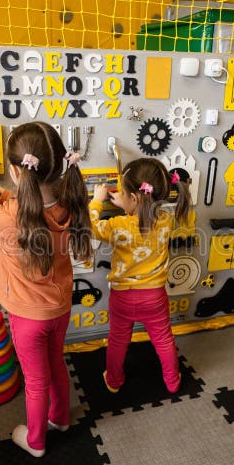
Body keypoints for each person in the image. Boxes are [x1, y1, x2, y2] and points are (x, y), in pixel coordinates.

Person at [0, 122, 92, 458]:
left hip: (28, 319)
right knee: (56, 363)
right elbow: (34, 207)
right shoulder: (70, 198)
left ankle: (36, 441)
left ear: (16, 171)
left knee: (36, 381)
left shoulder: (9, 217)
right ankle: (60, 419)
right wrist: (3, 194)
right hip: (59, 308)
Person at [90, 158, 190, 395]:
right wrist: (127, 204)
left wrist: (97, 201)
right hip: (155, 296)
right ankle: (172, 381)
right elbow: (142, 217)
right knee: (164, 340)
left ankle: (114, 380)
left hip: (123, 298)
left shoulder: (117, 225)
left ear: (134, 198)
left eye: (123, 193)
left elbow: (92, 226)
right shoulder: (166, 220)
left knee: (118, 339)